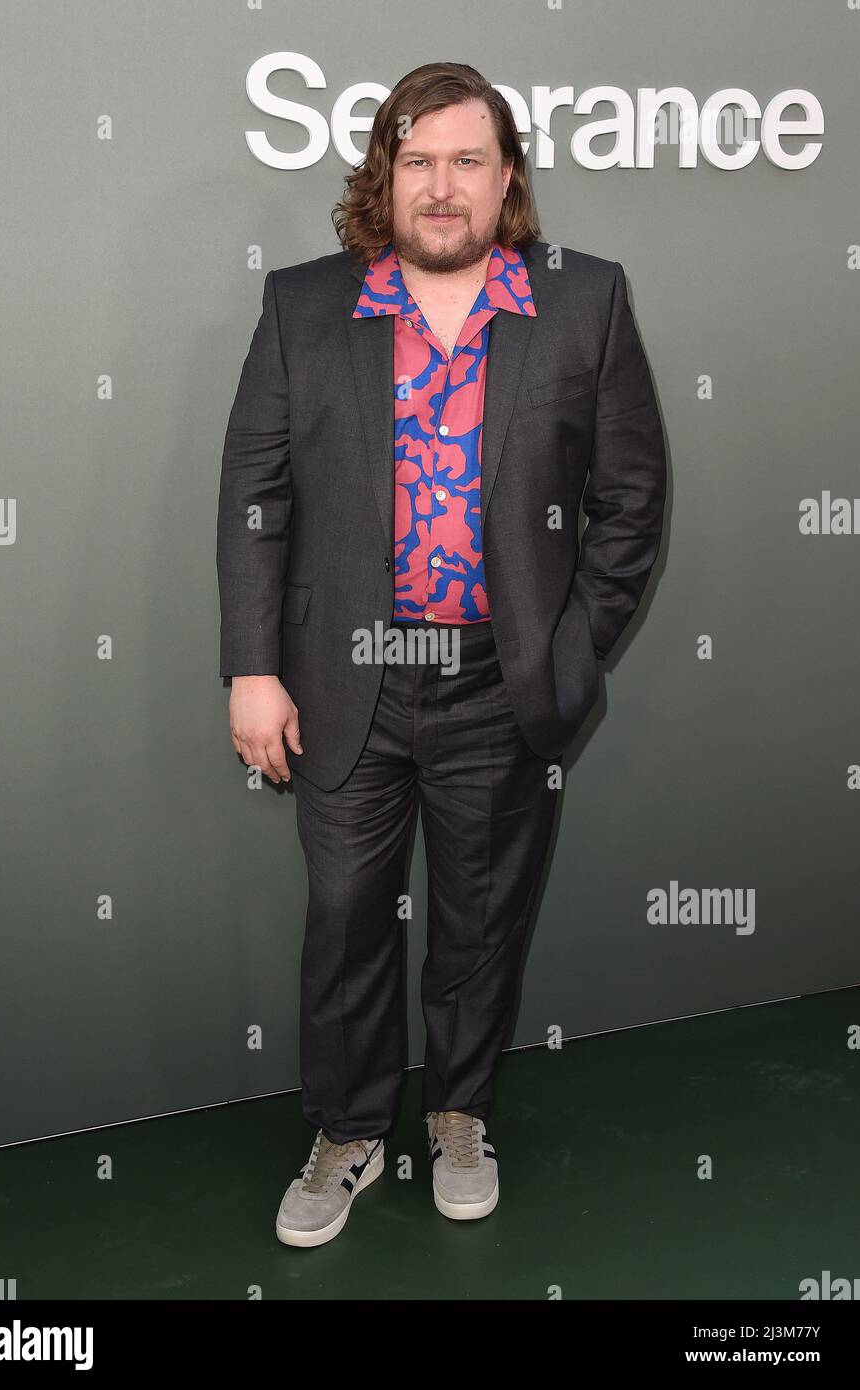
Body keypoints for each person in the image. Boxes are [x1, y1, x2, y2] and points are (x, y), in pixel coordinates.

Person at [216, 61, 667, 1248]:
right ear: (385, 176)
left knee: (477, 920)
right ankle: (350, 1129)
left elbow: (631, 502)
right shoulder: (306, 307)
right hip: (337, 681)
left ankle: (459, 1111)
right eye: (417, 160)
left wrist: (567, 650)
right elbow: (255, 496)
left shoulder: (584, 302)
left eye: (468, 159)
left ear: (506, 176)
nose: (443, 185)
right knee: (347, 916)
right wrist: (251, 668)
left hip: (497, 683)